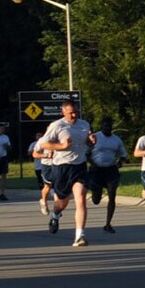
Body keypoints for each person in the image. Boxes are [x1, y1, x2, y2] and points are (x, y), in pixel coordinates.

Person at [36, 98, 93, 247]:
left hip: (79, 166)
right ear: (63, 112)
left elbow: (86, 140)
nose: (74, 116)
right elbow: (43, 144)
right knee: (62, 202)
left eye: (75, 112)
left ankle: (80, 235)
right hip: (61, 167)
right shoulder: (57, 125)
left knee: (80, 198)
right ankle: (55, 215)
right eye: (70, 113)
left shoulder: (84, 125)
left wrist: (91, 140)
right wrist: (61, 146)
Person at [87, 116, 126, 235]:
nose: (107, 129)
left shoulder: (116, 140)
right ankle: (95, 193)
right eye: (105, 126)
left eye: (109, 126)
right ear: (102, 127)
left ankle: (108, 224)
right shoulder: (95, 137)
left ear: (112, 127)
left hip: (111, 170)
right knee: (96, 200)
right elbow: (86, 153)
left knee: (112, 195)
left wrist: (120, 162)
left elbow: (123, 154)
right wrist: (92, 163)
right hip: (96, 169)